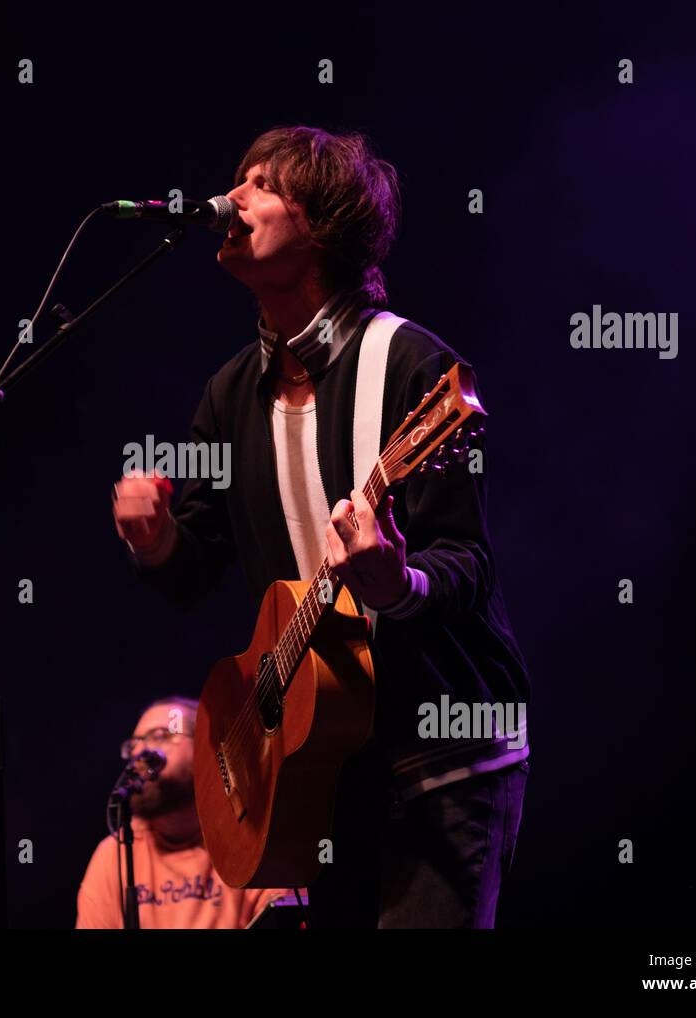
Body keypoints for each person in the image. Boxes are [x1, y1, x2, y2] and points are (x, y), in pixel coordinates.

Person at [110, 126, 530, 928]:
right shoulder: (229, 397)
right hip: (328, 766)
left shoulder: (408, 365)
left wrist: (395, 584)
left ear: (323, 224)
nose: (234, 197)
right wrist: (156, 539)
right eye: (237, 178)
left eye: (263, 184)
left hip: (442, 752)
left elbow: (467, 564)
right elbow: (194, 568)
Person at [75, 696, 288, 929]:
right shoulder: (113, 856)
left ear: (205, 752)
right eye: (134, 744)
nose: (140, 752)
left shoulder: (252, 837)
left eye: (160, 736)